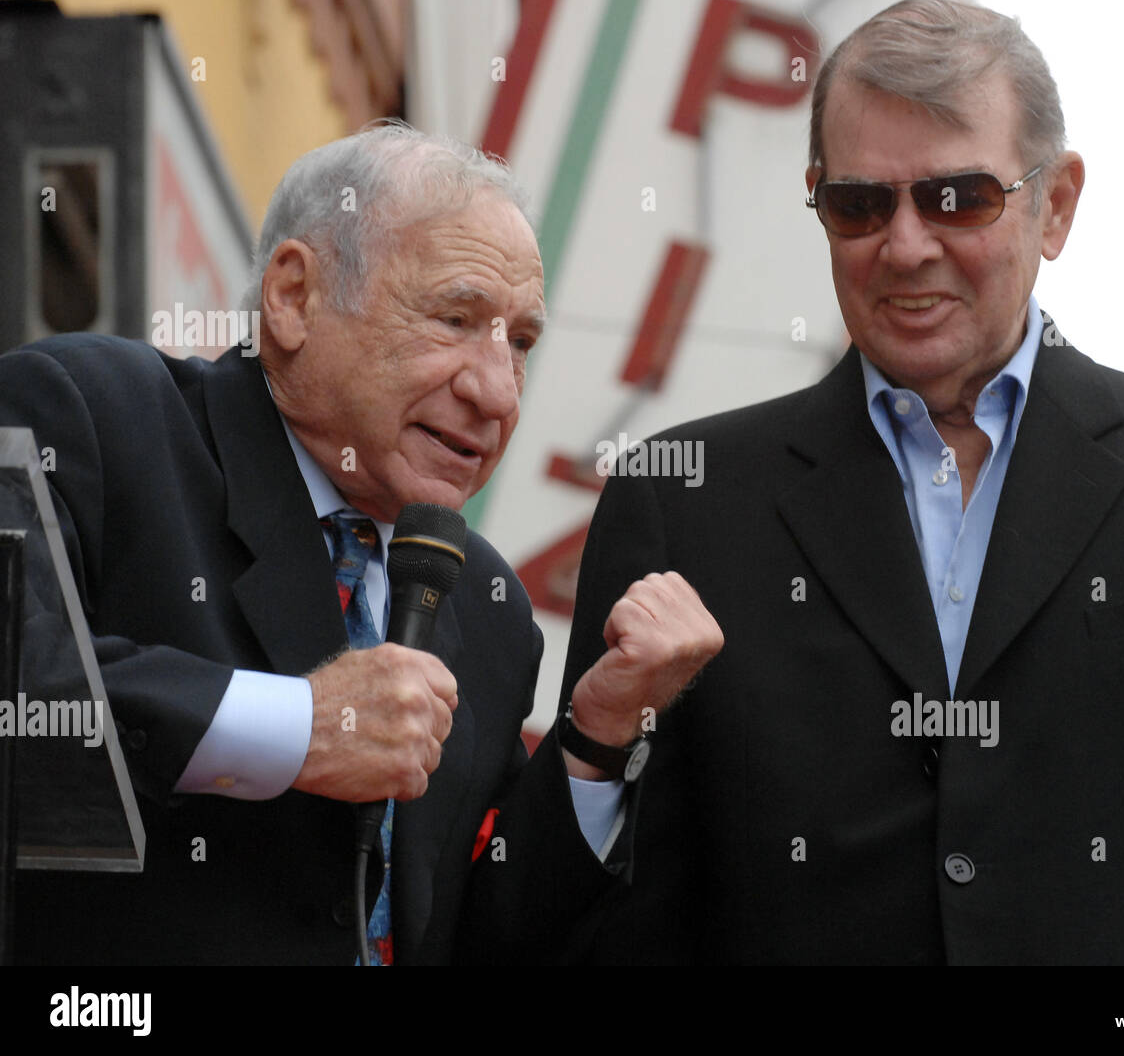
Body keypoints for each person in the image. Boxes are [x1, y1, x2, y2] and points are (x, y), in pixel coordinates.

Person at [549, 0, 1124, 964]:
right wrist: (593, 750)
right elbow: (597, 929)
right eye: (861, 204)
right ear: (819, 203)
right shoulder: (681, 501)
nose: (905, 246)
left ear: (1056, 205)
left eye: (958, 198)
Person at [2, 123, 722, 964]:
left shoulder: (487, 611)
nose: (497, 393)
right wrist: (299, 727)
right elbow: (25, 685)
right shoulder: (95, 415)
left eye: (520, 343)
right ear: (294, 297)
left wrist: (596, 737)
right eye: (455, 318)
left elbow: (485, 937)